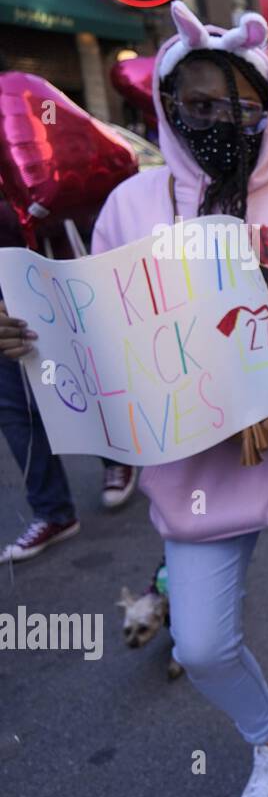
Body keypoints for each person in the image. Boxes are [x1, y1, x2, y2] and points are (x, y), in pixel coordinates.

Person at [1, 2, 268, 797]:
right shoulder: (131, 208)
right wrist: (31, 338)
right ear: (170, 105)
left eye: (235, 102)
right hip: (189, 466)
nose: (214, 119)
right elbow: (92, 327)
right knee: (204, 643)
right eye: (196, 103)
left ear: (267, 99)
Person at [0, 204, 139, 565]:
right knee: (12, 404)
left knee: (75, 373)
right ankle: (53, 512)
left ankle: (116, 456)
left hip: (43, 264)